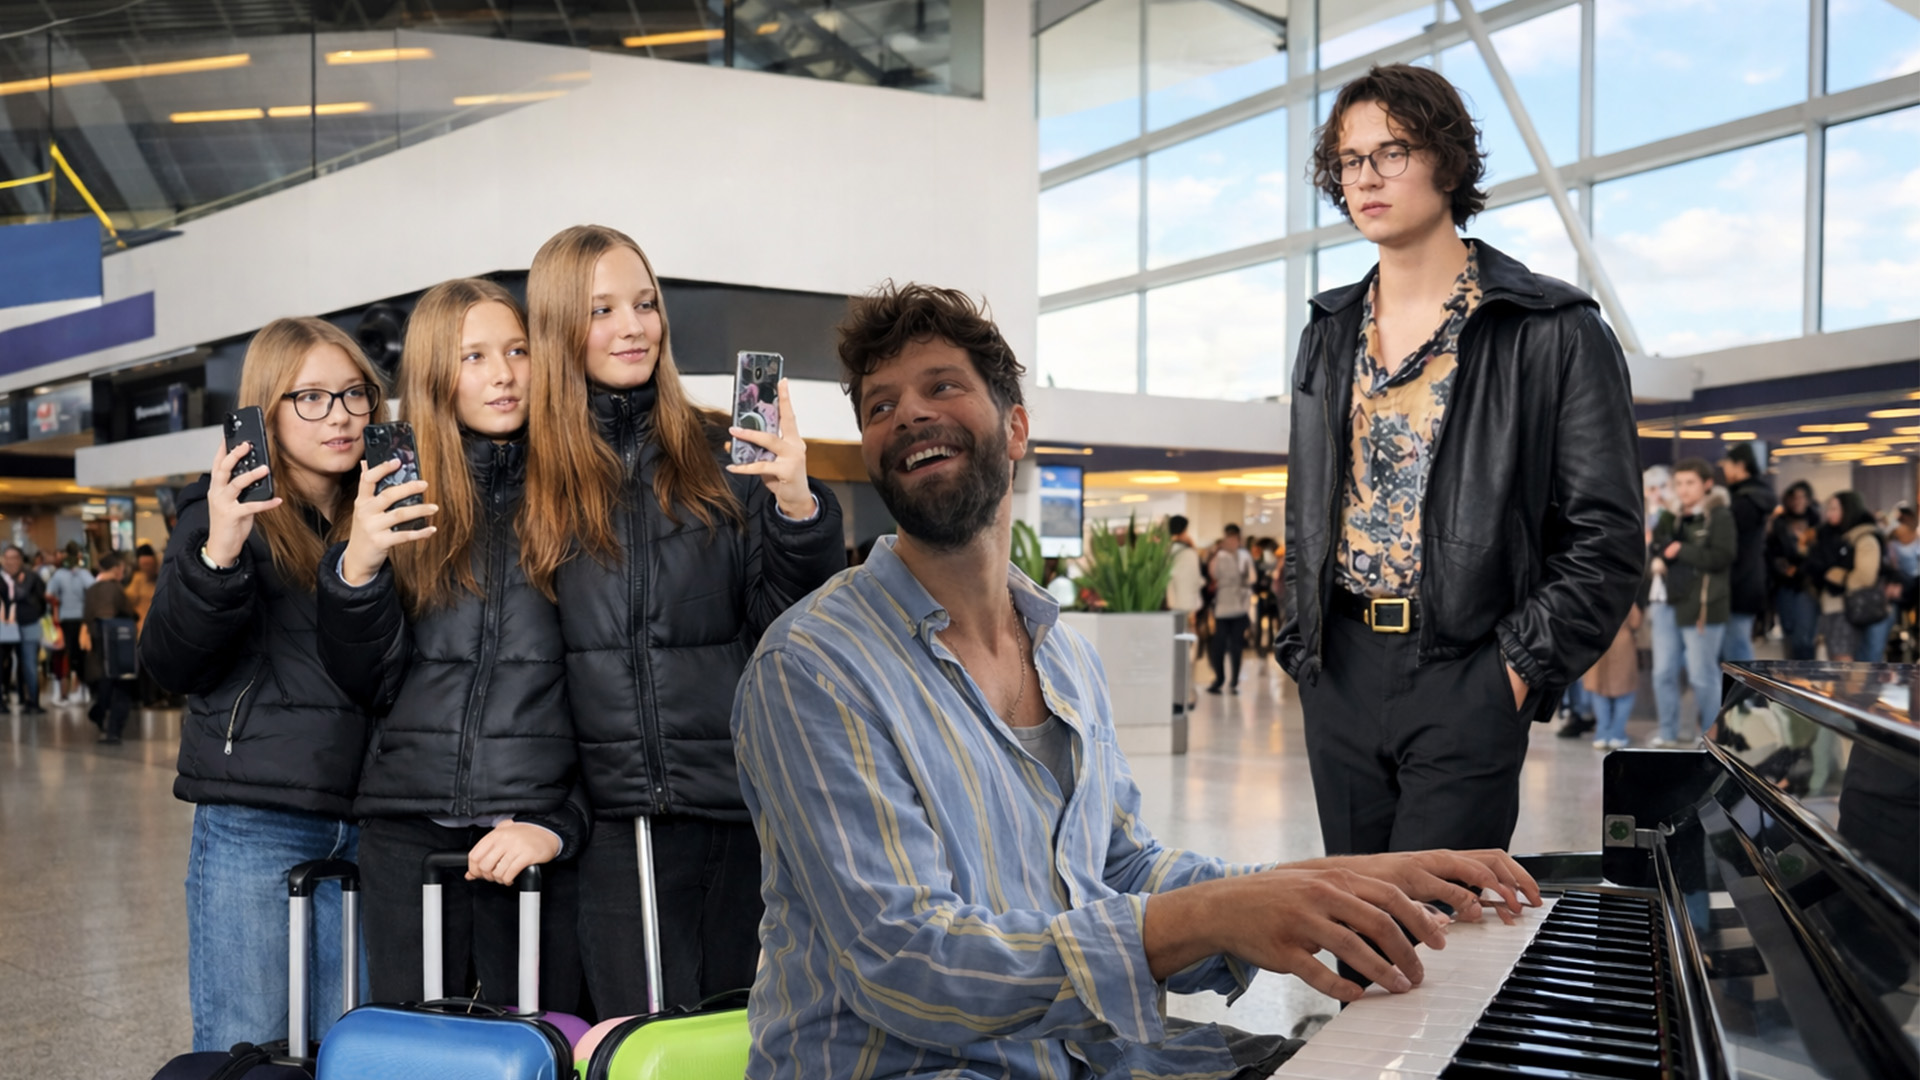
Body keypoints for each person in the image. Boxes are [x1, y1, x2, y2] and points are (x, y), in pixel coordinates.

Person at [732, 281, 1543, 1080]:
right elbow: (905, 964)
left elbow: (1119, 869)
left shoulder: (1064, 654)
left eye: (941, 386)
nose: (907, 413)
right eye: (880, 406)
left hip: (1092, 1055)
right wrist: (1204, 917)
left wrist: (1329, 885)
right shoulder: (813, 668)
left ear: (1015, 428)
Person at [1277, 64, 1642, 856]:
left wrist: (1513, 672)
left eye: (1392, 152)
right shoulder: (1328, 329)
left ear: (1447, 159)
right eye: (1349, 160)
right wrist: (1298, 640)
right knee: (1358, 933)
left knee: (1435, 947)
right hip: (1339, 668)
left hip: (1469, 666)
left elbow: (1605, 542)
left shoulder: (1551, 328)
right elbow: (1309, 505)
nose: (1365, 178)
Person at [526, 225, 844, 1014]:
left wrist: (799, 508)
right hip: (614, 823)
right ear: (559, 326)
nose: (632, 326)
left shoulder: (719, 451)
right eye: (600, 310)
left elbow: (788, 622)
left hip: (739, 808)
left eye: (644, 303)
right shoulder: (535, 474)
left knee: (746, 1036)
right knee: (644, 1041)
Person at [316, 279, 588, 1011]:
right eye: (473, 356)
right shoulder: (396, 498)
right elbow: (364, 681)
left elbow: (615, 688)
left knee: (533, 1044)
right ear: (437, 374)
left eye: (517, 350)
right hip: (408, 831)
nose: (502, 374)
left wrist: (557, 823)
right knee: (415, 1049)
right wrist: (359, 570)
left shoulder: (579, 496)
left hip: (531, 831)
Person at [139, 317, 381, 1051]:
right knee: (251, 1048)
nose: (338, 415)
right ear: (264, 411)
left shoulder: (383, 509)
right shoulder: (217, 515)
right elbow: (168, 665)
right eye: (310, 397)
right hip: (256, 816)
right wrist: (219, 550)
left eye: (354, 394)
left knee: (355, 1048)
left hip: (375, 817)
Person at [1648, 459, 1734, 748]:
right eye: (1679, 483)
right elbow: (1655, 547)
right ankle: (1668, 732)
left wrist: (1682, 550)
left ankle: (1713, 739)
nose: (1683, 490)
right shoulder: (1669, 516)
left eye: (1690, 483)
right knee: (1662, 673)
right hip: (1666, 602)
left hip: (1702, 606)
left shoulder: (1718, 516)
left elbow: (1723, 556)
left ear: (1707, 484)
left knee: (1702, 676)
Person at [1814, 491, 1892, 663]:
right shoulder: (1834, 535)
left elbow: (1865, 577)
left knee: (1847, 665)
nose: (1829, 514)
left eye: (1834, 508)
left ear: (1848, 509)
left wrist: (1835, 575)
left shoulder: (1863, 537)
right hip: (1841, 607)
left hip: (1850, 607)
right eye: (1829, 509)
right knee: (1843, 662)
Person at [1715, 444, 1775, 664]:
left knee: (1736, 651)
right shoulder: (1757, 499)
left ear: (1740, 465)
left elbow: (1736, 547)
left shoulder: (1743, 503)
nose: (1725, 471)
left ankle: (1743, 698)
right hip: (1751, 580)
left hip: (1737, 583)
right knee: (1736, 646)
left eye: (1727, 465)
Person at [83, 552, 137, 742]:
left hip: (96, 647)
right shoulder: (115, 589)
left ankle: (100, 714)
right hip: (116, 645)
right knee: (121, 688)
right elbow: (126, 612)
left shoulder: (91, 589)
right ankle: (113, 729)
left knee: (104, 685)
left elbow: (88, 616)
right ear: (115, 569)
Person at [1767, 481, 1821, 661]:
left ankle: (1807, 678)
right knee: (1788, 633)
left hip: (1807, 584)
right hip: (1784, 583)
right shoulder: (1780, 524)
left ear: (1808, 499)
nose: (1798, 501)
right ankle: (1791, 679)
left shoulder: (1816, 523)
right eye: (1794, 497)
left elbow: (1820, 555)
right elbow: (1771, 552)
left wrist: (1801, 566)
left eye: (1802, 497)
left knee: (1803, 637)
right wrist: (1783, 567)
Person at [1206, 524, 1254, 695]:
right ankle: (1219, 677)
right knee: (1219, 645)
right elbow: (1213, 575)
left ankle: (1234, 680)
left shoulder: (1244, 556)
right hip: (1223, 607)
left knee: (1236, 646)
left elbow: (1251, 577)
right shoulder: (1219, 556)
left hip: (1239, 607)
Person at [0, 545, 48, 714]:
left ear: (20, 560)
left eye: (14, 558)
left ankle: (32, 701)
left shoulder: (32, 577)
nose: (10, 561)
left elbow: (42, 600)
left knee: (29, 664)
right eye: (7, 557)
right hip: (4, 626)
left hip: (28, 623)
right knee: (3, 663)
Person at [47, 552, 92, 707]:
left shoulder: (60, 574)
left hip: (67, 619)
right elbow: (93, 588)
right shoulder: (83, 573)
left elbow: (48, 594)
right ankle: (79, 690)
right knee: (78, 654)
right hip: (78, 618)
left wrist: (57, 603)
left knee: (67, 655)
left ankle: (72, 691)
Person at [1166, 514, 1203, 630]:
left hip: (1164, 605)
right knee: (1183, 641)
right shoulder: (1188, 553)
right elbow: (1193, 580)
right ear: (1185, 530)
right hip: (1184, 606)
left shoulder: (1163, 551)